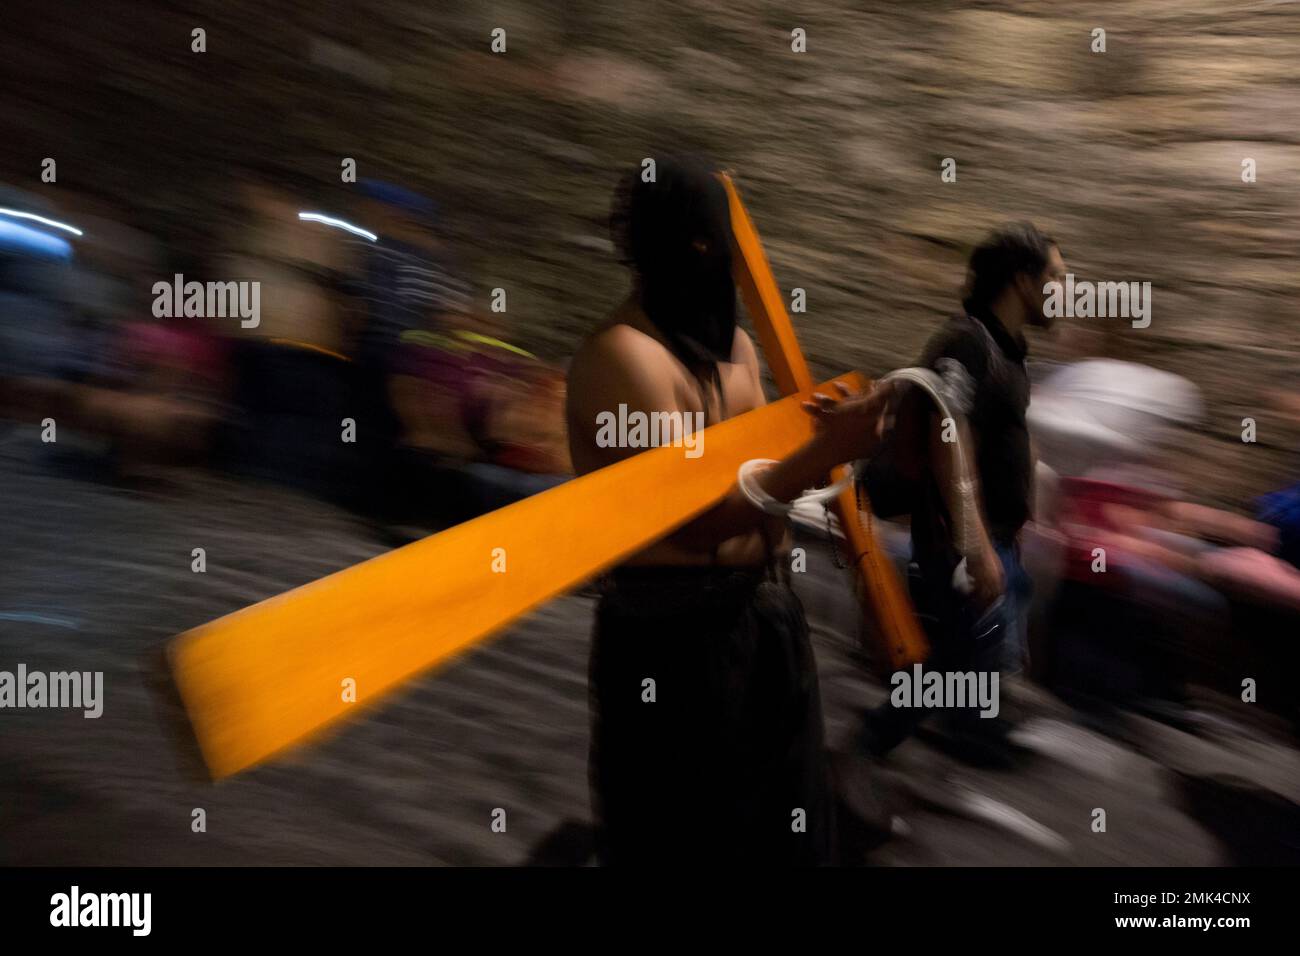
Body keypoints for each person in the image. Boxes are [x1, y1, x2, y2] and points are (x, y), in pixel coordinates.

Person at [566, 155, 891, 865]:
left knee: (786, 839)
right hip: (669, 637)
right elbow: (698, 520)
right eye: (710, 242)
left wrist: (838, 449)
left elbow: (764, 488)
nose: (723, 262)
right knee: (681, 840)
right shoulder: (624, 359)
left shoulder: (738, 349)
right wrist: (823, 451)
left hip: (765, 618)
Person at [860, 223, 1066, 762]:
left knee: (962, 652)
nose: (1064, 291)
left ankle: (944, 731)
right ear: (1023, 280)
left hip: (996, 534)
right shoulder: (965, 342)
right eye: (1056, 278)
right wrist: (973, 543)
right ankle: (870, 746)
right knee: (956, 657)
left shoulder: (1009, 350)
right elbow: (946, 430)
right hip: (955, 537)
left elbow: (1002, 429)